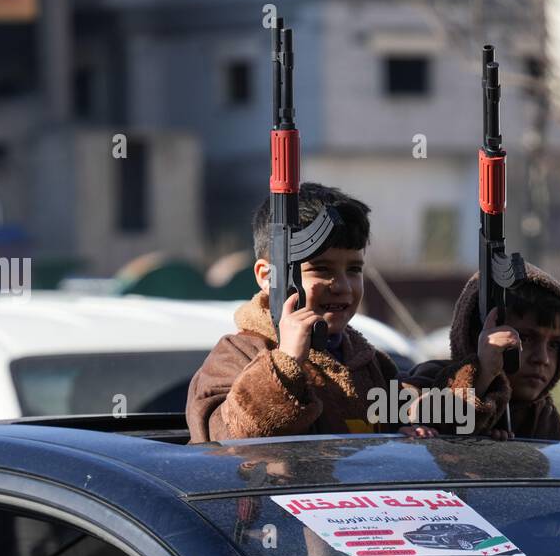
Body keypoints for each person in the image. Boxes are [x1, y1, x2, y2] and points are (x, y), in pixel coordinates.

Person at [184, 183, 441, 442]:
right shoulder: (236, 355)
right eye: (321, 270)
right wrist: (286, 364)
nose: (342, 286)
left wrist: (403, 435)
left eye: (353, 269)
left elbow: (412, 406)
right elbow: (224, 442)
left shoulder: (369, 364)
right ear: (267, 277)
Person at [406, 264, 560, 440]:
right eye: (524, 338)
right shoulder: (429, 379)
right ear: (477, 338)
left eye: (554, 345)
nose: (542, 359)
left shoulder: (544, 418)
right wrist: (482, 373)